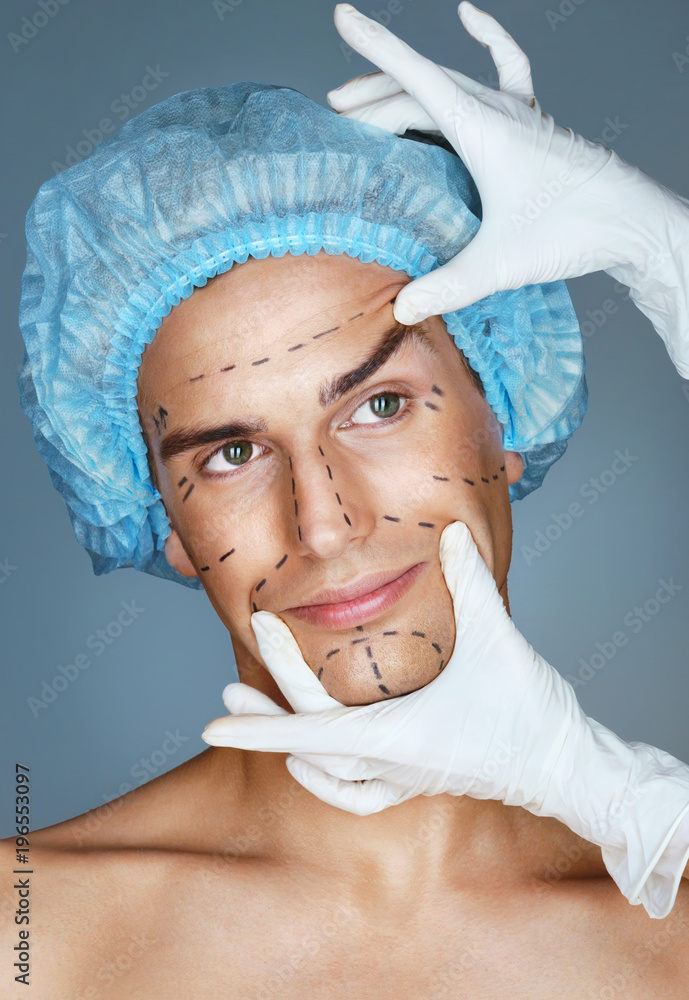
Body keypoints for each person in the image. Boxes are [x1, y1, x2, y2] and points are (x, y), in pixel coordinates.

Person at [3, 11, 689, 999]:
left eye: (378, 405)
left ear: (503, 414)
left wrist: (661, 252)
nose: (323, 522)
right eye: (233, 452)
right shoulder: (30, 936)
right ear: (163, 515)